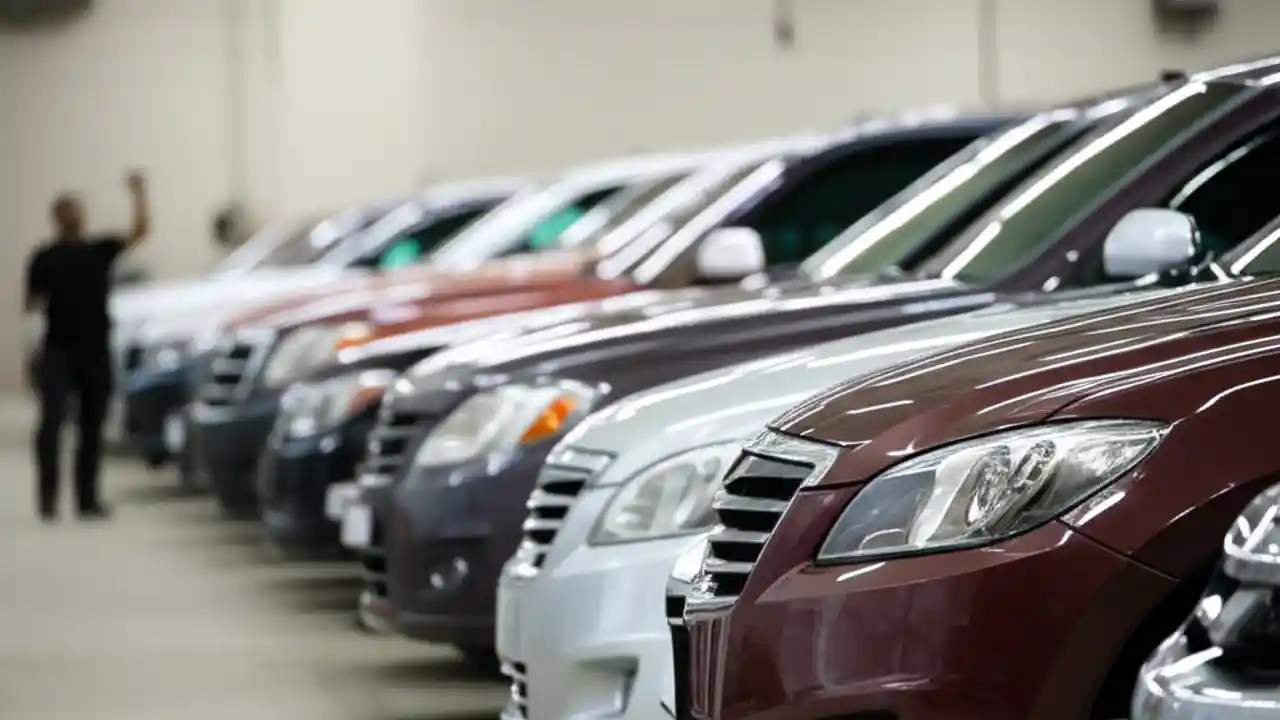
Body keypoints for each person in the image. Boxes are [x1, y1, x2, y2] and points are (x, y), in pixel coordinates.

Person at [25, 172, 150, 522]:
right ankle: (48, 498)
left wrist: (139, 194)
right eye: (66, 211)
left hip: (94, 349)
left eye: (77, 210)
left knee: (92, 426)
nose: (73, 216)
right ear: (57, 218)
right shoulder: (44, 258)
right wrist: (31, 353)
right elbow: (33, 307)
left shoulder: (100, 250)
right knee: (51, 425)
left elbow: (140, 232)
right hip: (57, 351)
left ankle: (87, 498)